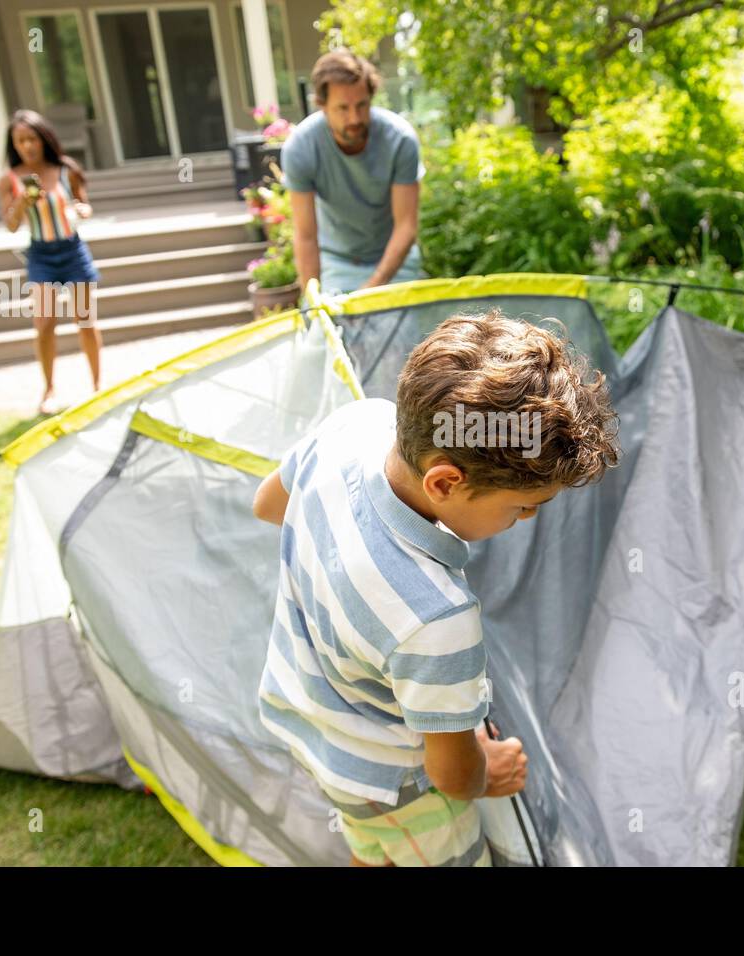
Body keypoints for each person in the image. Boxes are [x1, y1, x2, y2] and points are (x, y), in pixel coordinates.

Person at [251, 310, 620, 865]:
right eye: (523, 507)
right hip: (400, 785)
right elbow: (450, 774)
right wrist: (487, 773)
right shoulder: (437, 617)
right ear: (445, 482)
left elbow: (267, 505)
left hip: (312, 725)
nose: (526, 520)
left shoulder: (355, 425)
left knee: (374, 848)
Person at [280, 50, 424, 296]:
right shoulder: (301, 147)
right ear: (323, 106)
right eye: (343, 108)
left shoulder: (400, 140)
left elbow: (406, 227)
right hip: (336, 263)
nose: (354, 118)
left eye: (362, 105)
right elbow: (305, 236)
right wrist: (313, 301)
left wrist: (370, 290)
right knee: (319, 333)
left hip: (394, 263)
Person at [0, 109, 101, 416]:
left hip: (72, 250)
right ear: (13, 145)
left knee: (85, 318)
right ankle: (49, 389)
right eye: (20, 141)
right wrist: (21, 202)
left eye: (31, 139)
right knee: (44, 323)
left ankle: (97, 387)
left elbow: (83, 203)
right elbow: (11, 225)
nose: (27, 146)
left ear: (43, 139)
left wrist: (83, 209)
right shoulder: (10, 179)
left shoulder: (66, 169)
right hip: (41, 254)